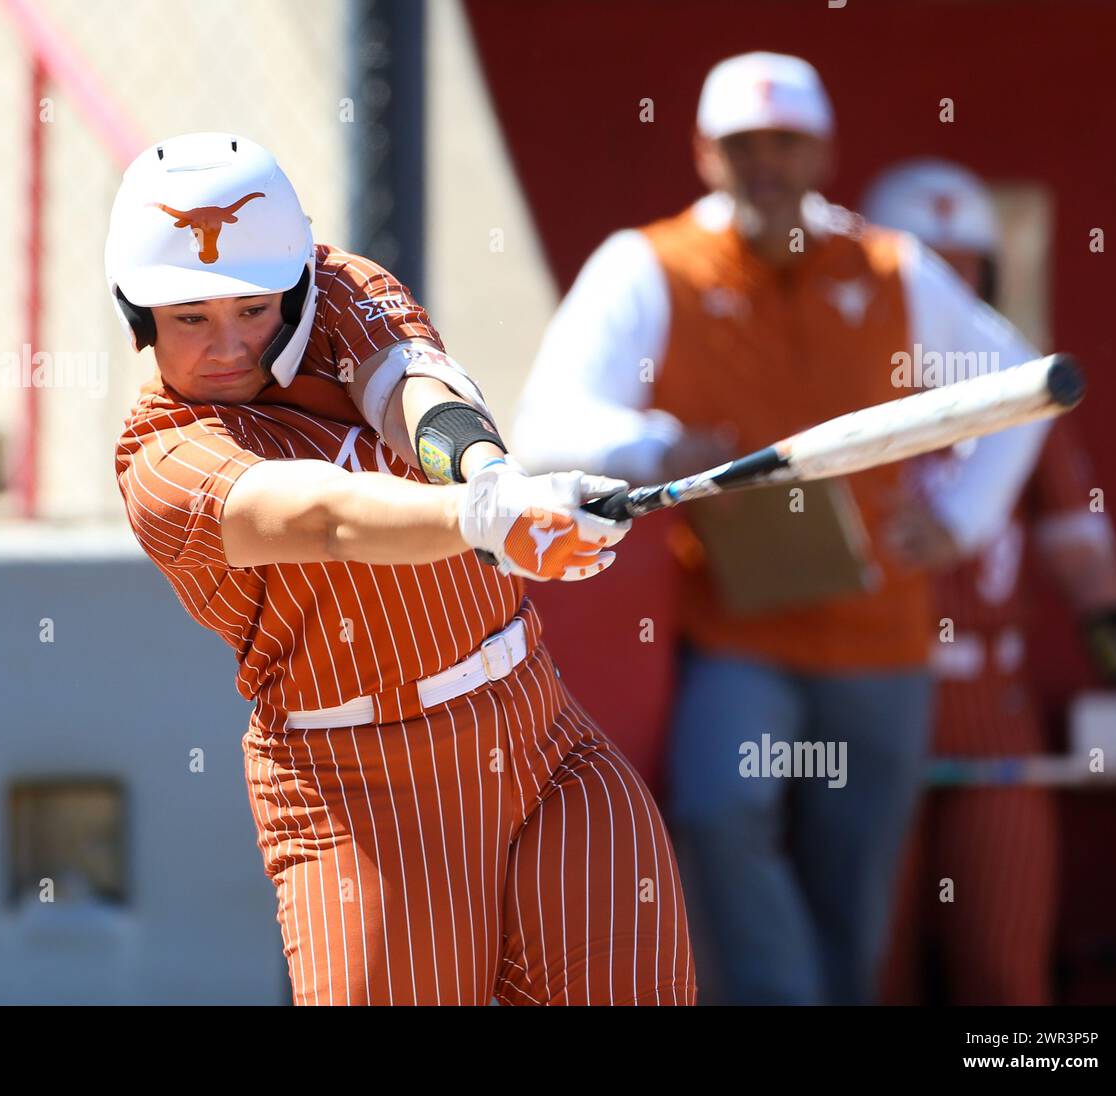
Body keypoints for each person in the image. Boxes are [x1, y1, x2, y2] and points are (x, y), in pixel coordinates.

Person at [107, 132, 695, 1005]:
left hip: (537, 735)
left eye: (255, 310)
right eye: (191, 317)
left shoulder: (338, 286)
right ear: (139, 316)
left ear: (297, 287)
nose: (227, 344)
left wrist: (492, 478)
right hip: (360, 791)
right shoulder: (161, 458)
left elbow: (413, 390)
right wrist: (482, 519)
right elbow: (324, 514)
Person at [511, 53, 1049, 1004]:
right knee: (721, 811)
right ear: (705, 154)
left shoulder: (888, 266)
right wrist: (662, 444)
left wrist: (961, 521)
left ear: (823, 152)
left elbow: (1017, 383)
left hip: (881, 633)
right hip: (738, 629)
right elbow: (548, 426)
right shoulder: (652, 264)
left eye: (786, 144)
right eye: (744, 145)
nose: (766, 165)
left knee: (855, 885)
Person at [862, 158, 1116, 1005]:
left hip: (996, 720)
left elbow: (1083, 560)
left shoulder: (1026, 405)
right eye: (928, 270)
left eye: (967, 271)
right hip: (866, 705)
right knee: (874, 976)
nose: (950, 293)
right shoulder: (837, 399)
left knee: (1003, 974)